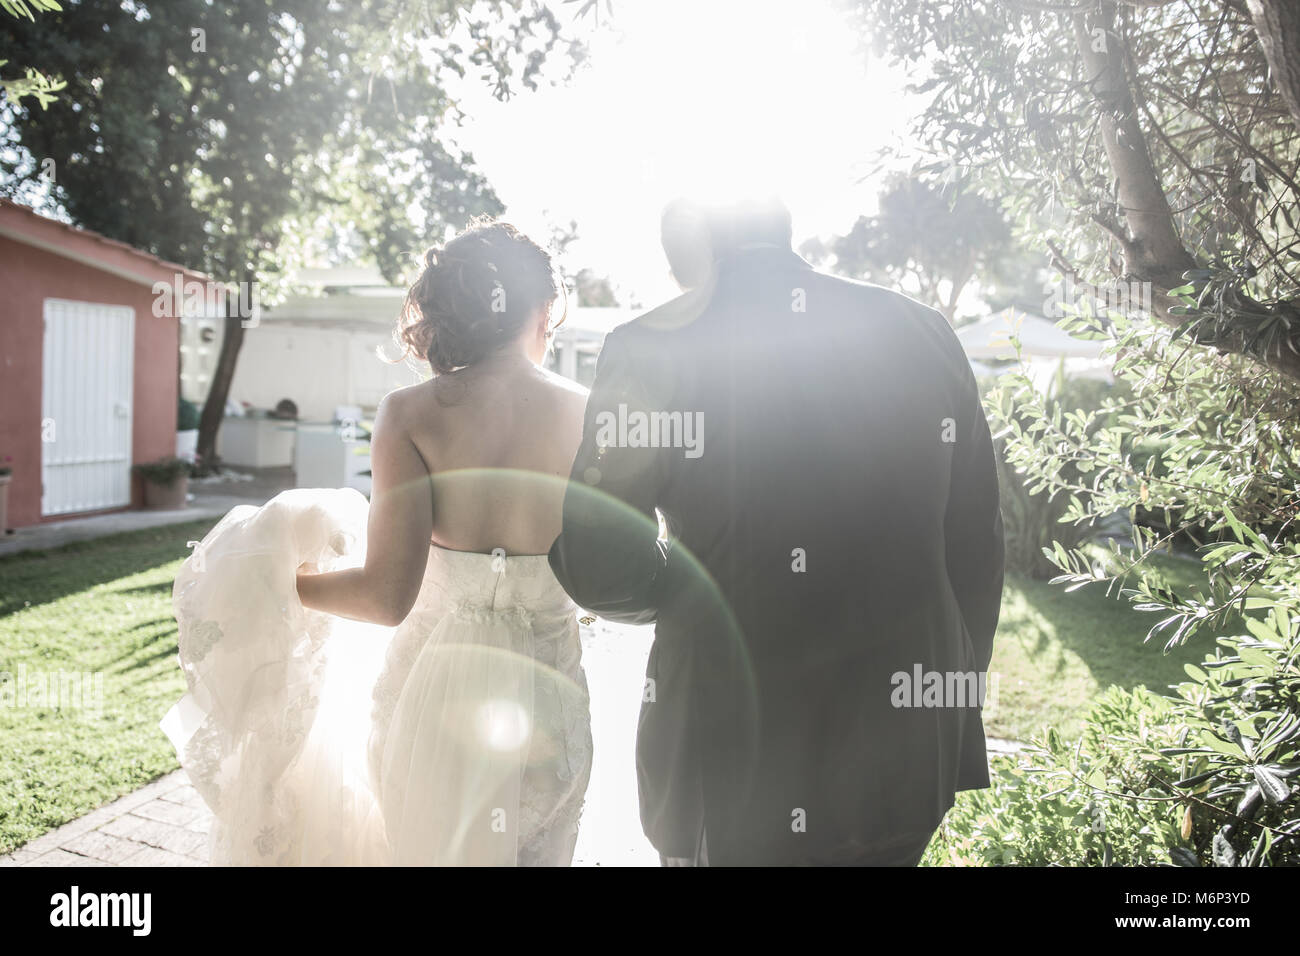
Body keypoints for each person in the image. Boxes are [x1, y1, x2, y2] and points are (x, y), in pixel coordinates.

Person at [549, 196, 1005, 866]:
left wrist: (697, 583)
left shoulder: (652, 345)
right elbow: (977, 544)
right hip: (907, 752)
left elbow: (599, 564)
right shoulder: (923, 329)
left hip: (734, 752)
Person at [165, 219, 593, 865]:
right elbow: (605, 575)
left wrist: (280, 584)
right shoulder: (592, 413)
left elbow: (387, 598)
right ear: (544, 306)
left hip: (432, 702)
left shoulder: (413, 413)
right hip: (550, 699)